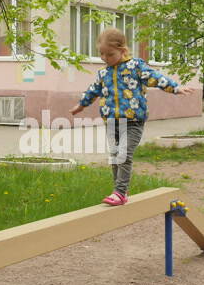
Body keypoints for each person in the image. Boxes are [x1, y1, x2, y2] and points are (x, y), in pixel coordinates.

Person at [70, 28, 196, 205]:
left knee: (124, 154)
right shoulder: (103, 73)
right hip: (112, 122)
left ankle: (120, 192)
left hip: (133, 122)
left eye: (110, 54)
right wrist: (81, 105)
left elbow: (155, 77)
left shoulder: (135, 66)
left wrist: (175, 88)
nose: (105, 58)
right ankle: (119, 191)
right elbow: (93, 90)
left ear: (122, 50)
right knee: (114, 156)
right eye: (101, 54)